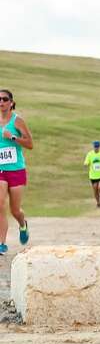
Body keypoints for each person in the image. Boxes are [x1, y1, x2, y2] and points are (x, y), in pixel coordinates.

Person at [0, 89, 32, 255]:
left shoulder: (17, 121)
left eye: (4, 99)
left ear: (11, 102)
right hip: (1, 170)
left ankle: (22, 224)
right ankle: (2, 243)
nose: (1, 102)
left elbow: (30, 144)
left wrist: (12, 137)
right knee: (0, 204)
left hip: (16, 170)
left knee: (15, 210)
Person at [85, 140, 100, 208]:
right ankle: (98, 203)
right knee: (95, 189)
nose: (96, 148)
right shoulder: (90, 154)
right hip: (93, 175)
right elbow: (86, 162)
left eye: (97, 147)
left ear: (99, 147)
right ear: (93, 147)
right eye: (95, 147)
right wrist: (86, 164)